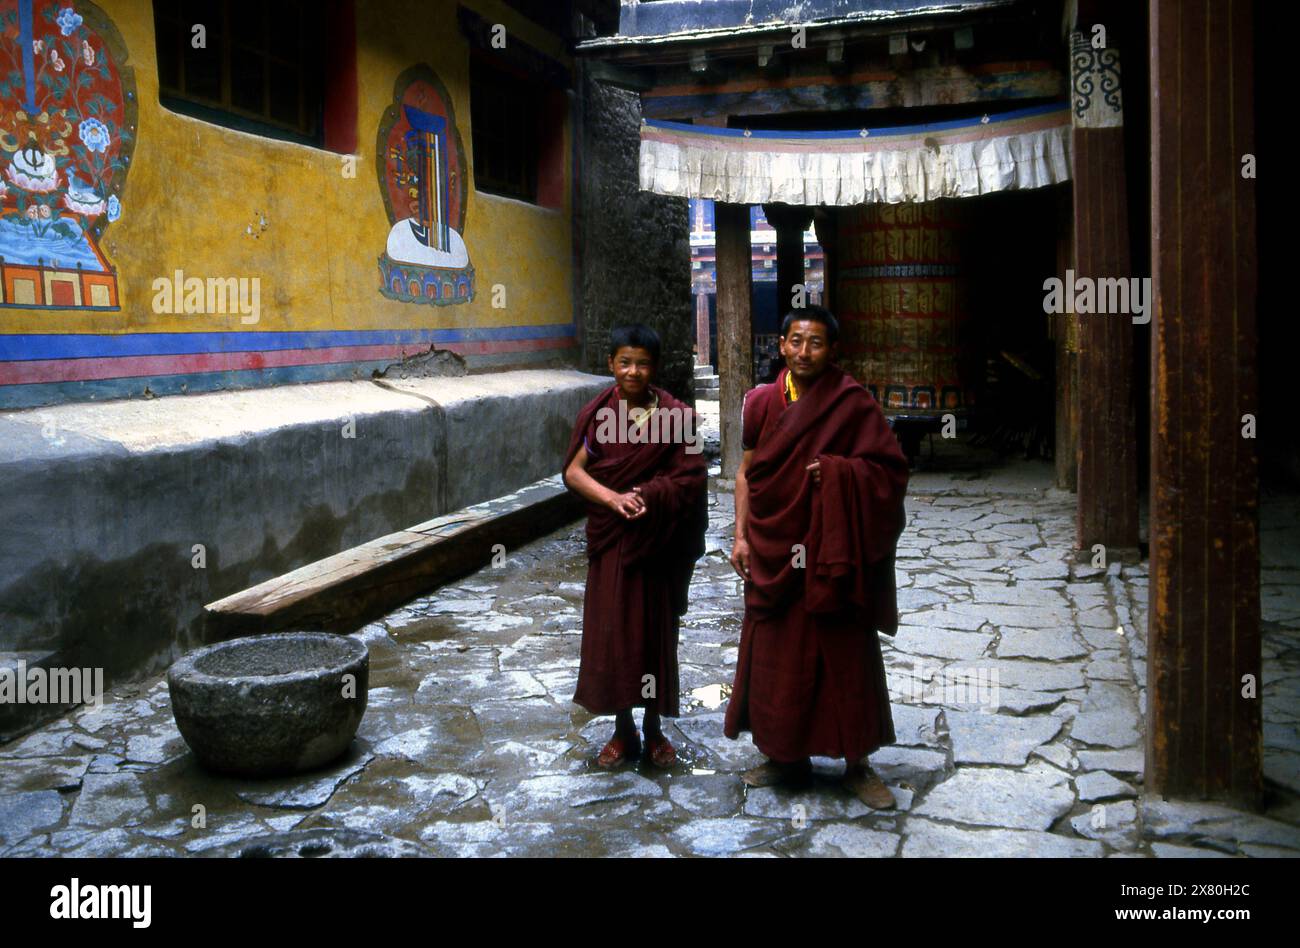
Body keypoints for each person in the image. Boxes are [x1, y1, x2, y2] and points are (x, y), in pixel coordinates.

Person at [724, 306, 909, 808]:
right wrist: (740, 535)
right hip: (774, 546)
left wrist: (841, 474)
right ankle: (784, 755)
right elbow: (746, 472)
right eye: (796, 341)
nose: (805, 352)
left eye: (817, 343)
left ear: (833, 350)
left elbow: (890, 475)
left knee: (843, 651)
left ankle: (857, 763)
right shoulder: (761, 403)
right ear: (781, 344)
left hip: (832, 551)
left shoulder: (852, 404)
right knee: (778, 656)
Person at [563, 325, 708, 768]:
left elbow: (694, 475)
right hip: (614, 542)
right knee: (615, 637)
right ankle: (623, 730)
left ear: (655, 368)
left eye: (643, 363)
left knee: (654, 635)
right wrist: (613, 498)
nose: (633, 371)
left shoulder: (678, 416)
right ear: (611, 364)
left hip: (657, 544)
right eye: (625, 362)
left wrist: (652, 493)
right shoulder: (598, 414)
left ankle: (654, 728)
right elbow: (573, 472)